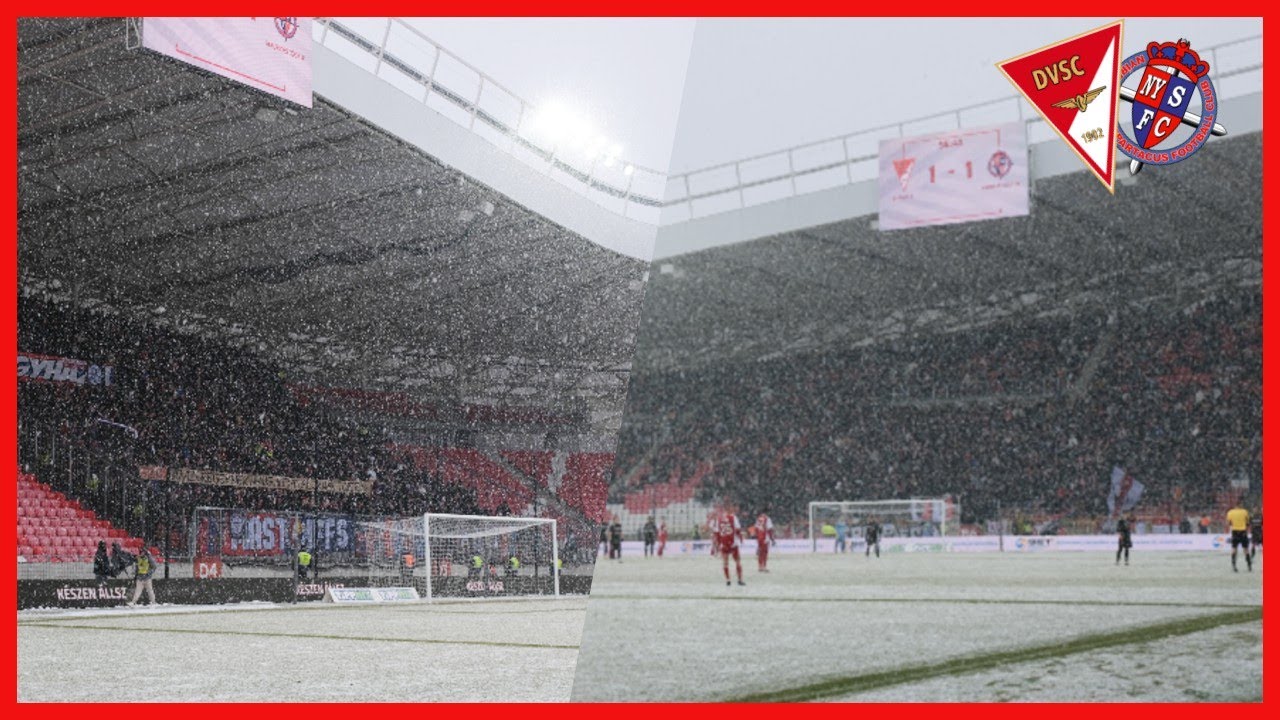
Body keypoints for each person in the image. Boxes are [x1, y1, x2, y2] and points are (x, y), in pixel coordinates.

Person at [711, 507, 745, 586]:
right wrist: (740, 538)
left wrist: (716, 545)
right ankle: (739, 580)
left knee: (725, 563)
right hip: (733, 543)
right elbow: (738, 529)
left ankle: (728, 580)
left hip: (724, 543)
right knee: (738, 561)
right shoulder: (733, 517)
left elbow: (716, 533)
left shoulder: (718, 519)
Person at [1226, 502, 1251, 572]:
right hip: (1243, 532)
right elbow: (1247, 522)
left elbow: (1229, 523)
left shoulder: (1230, 512)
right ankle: (1249, 565)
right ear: (1241, 505)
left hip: (1235, 532)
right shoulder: (1245, 512)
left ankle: (1234, 565)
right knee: (1246, 549)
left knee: (1234, 549)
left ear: (1235, 506)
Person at [754, 508, 776, 572]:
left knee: (760, 552)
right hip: (765, 538)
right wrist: (772, 539)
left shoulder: (758, 519)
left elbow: (756, 529)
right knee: (765, 553)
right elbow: (769, 529)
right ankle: (764, 566)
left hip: (759, 538)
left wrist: (757, 537)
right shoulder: (767, 519)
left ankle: (760, 566)